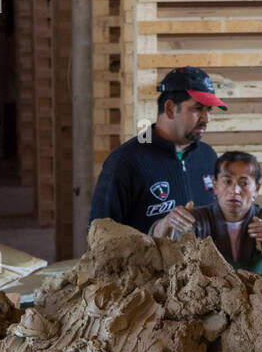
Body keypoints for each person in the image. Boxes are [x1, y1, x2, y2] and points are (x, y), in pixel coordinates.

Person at [88, 66, 227, 234]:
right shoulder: (125, 161)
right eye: (198, 108)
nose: (207, 118)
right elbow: (100, 236)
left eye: (209, 110)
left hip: (201, 261)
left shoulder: (208, 156)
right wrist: (156, 233)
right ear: (169, 109)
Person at [150, 150, 262, 279]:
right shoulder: (195, 219)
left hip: (260, 305)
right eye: (227, 181)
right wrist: (167, 222)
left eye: (244, 183)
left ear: (257, 189)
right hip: (209, 308)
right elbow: (154, 243)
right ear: (215, 185)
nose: (235, 190)